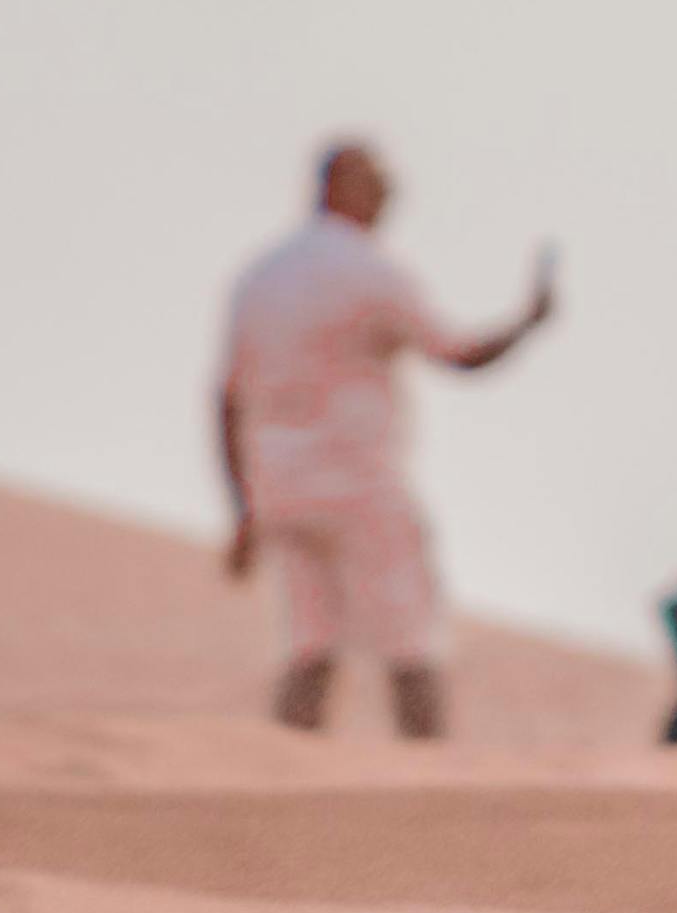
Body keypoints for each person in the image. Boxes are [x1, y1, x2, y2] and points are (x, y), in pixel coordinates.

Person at [215, 138, 557, 741]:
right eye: (377, 187)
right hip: (359, 482)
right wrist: (526, 324)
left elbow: (227, 399)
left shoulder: (260, 276)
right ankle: (426, 781)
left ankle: (285, 769)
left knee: (310, 642)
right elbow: (459, 354)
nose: (387, 200)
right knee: (411, 639)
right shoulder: (372, 273)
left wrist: (243, 508)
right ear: (340, 187)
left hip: (279, 485)